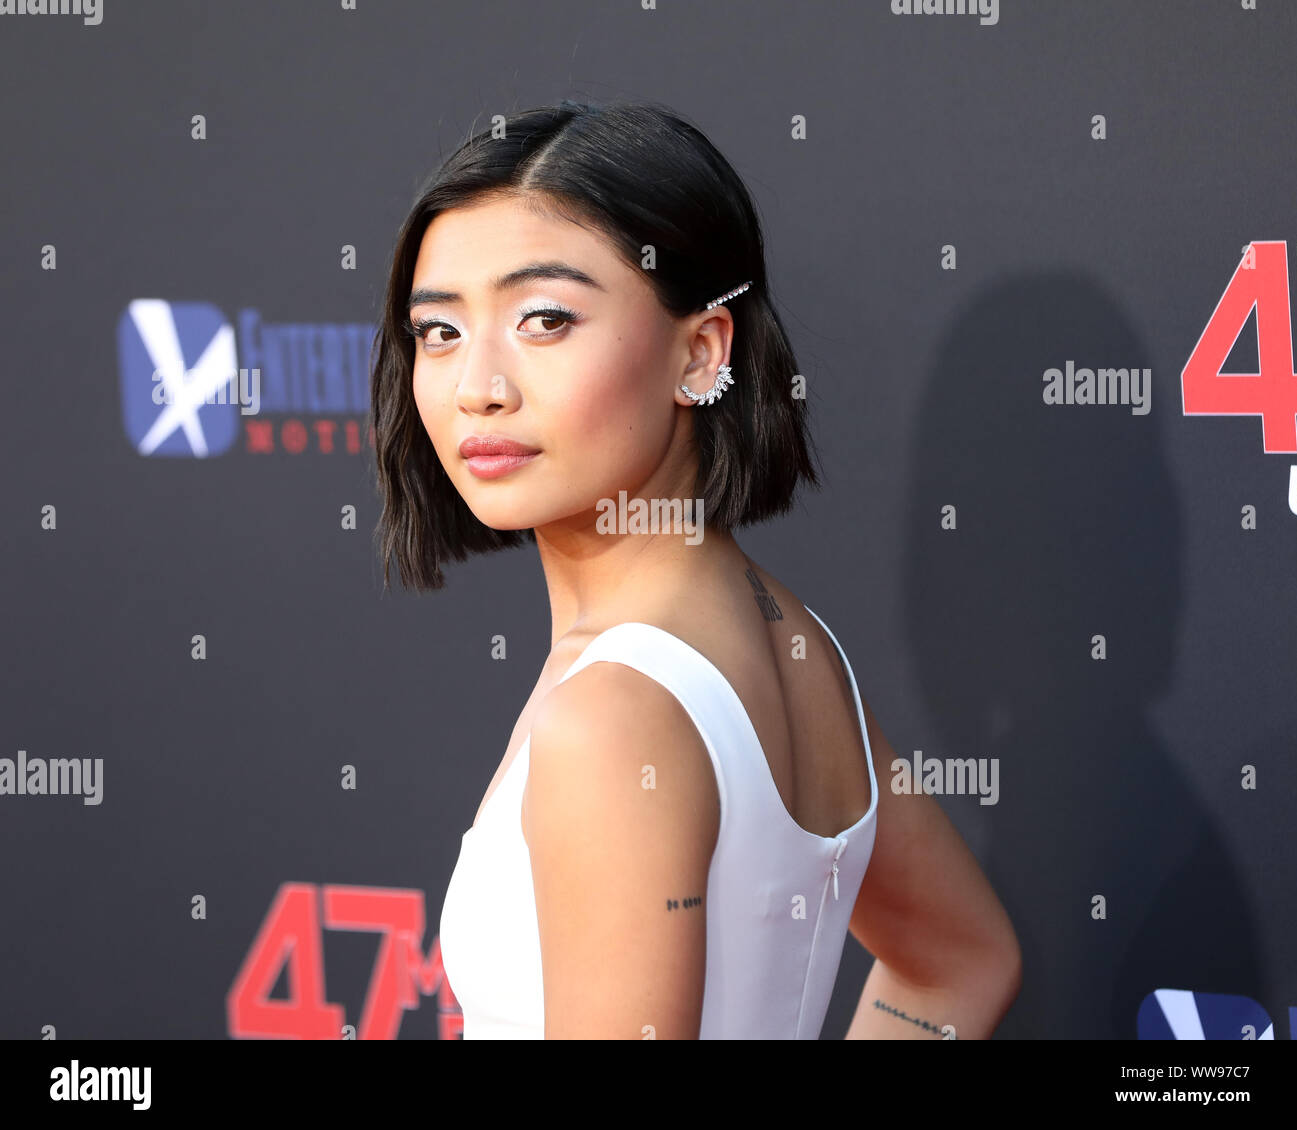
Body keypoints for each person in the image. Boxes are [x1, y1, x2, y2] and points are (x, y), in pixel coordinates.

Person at [370, 98, 1021, 1038]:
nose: (479, 385)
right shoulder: (799, 649)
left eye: (545, 319)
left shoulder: (611, 718)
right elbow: (958, 965)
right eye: (440, 332)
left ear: (700, 351)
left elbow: (960, 965)